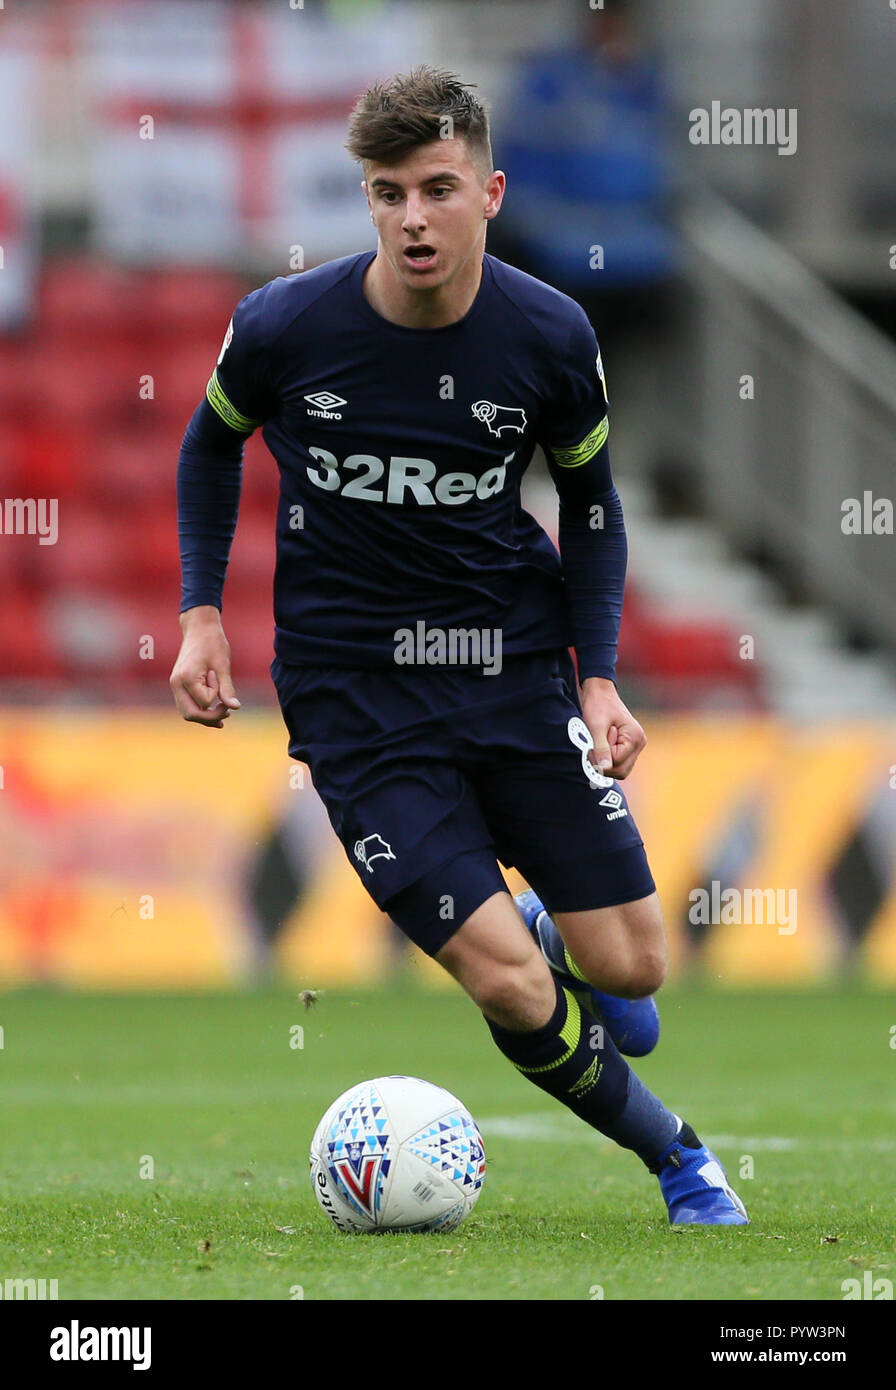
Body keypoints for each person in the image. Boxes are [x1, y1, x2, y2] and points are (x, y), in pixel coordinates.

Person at [171, 66, 746, 1226]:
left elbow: (590, 507)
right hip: (356, 704)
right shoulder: (286, 325)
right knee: (507, 980)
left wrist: (596, 675)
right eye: (386, 195)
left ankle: (536, 912)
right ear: (368, 201)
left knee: (633, 974)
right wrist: (197, 613)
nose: (411, 219)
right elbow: (206, 450)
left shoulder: (547, 333)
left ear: (487, 191)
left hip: (511, 675)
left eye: (436, 190)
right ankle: (680, 1159)